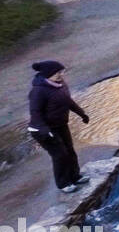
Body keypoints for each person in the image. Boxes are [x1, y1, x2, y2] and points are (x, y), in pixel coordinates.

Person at [27, 60, 89, 193]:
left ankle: (75, 177)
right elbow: (35, 112)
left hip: (60, 125)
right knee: (60, 155)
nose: (61, 74)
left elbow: (68, 101)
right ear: (48, 74)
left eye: (61, 72)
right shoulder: (38, 91)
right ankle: (63, 184)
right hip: (42, 129)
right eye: (57, 72)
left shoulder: (60, 84)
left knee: (70, 151)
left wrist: (82, 114)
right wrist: (44, 130)